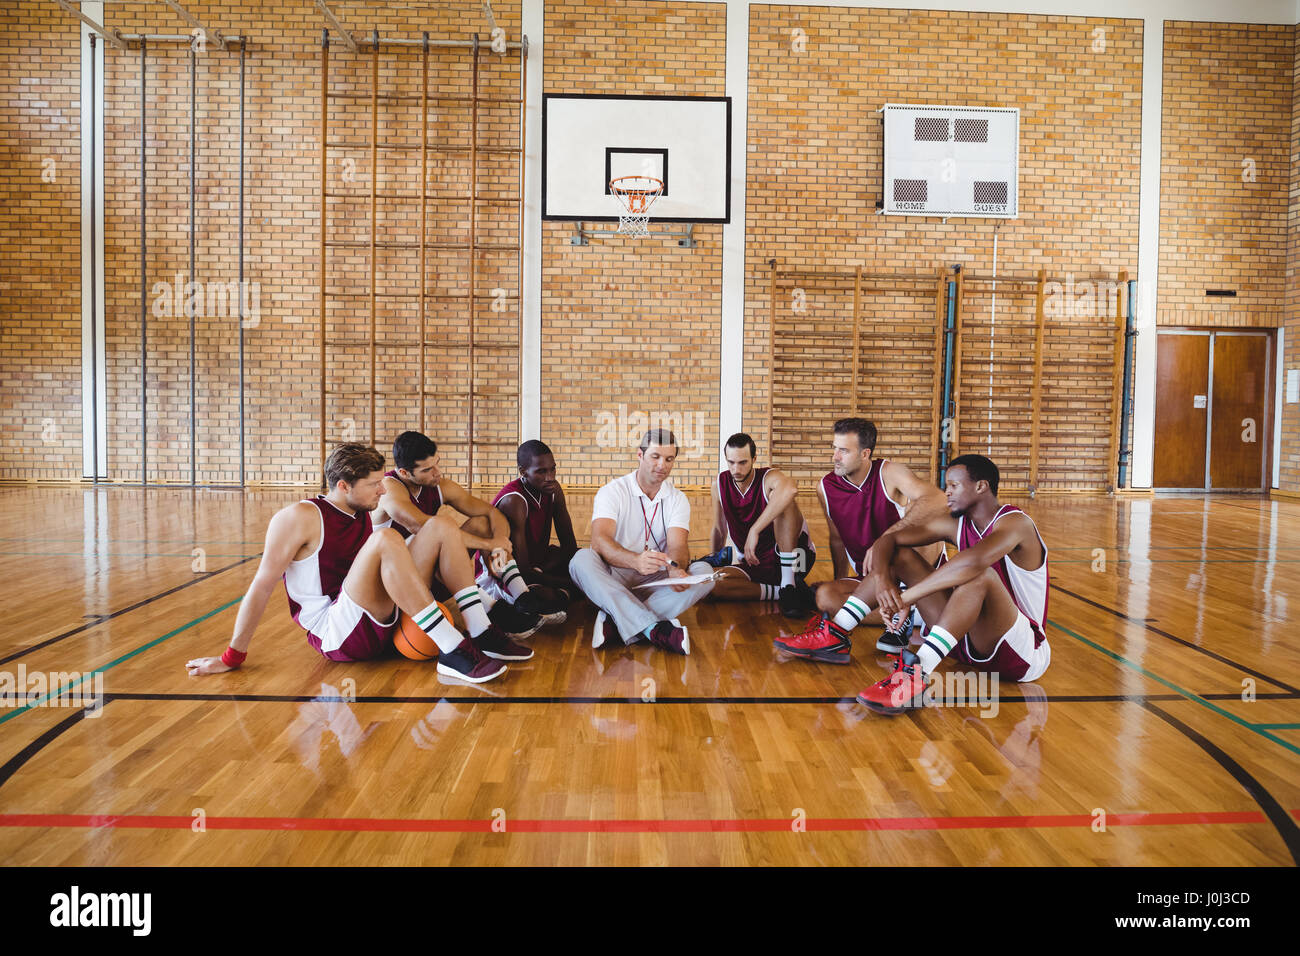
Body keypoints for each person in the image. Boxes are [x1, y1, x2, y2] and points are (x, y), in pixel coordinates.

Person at [185, 443, 527, 684]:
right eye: (374, 485)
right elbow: (260, 587)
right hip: (338, 632)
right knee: (386, 539)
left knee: (440, 525)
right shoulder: (299, 517)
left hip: (375, 614)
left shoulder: (359, 508)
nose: (383, 491)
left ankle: (480, 629)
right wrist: (232, 656)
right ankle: (453, 649)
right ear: (344, 485)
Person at [856, 454, 1051, 715]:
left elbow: (974, 562)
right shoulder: (956, 523)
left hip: (1022, 653)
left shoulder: (1016, 523)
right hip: (965, 643)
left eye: (953, 486)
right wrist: (882, 582)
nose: (946, 492)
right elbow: (889, 541)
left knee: (980, 574)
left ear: (981, 486)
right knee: (902, 556)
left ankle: (917, 673)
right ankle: (836, 632)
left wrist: (908, 597)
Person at [774, 417, 946, 664]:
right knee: (825, 597)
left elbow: (937, 500)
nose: (835, 456)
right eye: (834, 448)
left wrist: (885, 540)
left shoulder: (889, 472)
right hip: (874, 578)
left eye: (843, 450)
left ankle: (910, 602)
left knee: (919, 523)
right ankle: (909, 612)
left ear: (865, 454)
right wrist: (838, 577)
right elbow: (836, 538)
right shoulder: (825, 487)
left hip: (917, 575)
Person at [375, 430, 542, 639]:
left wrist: (499, 545)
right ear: (404, 473)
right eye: (427, 469)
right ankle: (491, 608)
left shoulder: (438, 485)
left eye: (437, 463)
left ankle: (520, 595)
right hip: (393, 588)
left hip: (429, 578)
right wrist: (489, 544)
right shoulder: (389, 490)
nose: (437, 472)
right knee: (437, 531)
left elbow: (491, 513)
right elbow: (422, 526)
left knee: (481, 524)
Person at [568, 429, 716, 654]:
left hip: (657, 578)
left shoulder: (678, 499)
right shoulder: (613, 491)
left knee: (705, 573)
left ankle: (617, 622)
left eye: (669, 459)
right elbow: (599, 541)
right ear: (640, 455)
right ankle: (654, 628)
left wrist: (677, 569)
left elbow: (678, 546)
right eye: (655, 457)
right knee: (581, 559)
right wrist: (635, 561)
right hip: (615, 575)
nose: (662, 465)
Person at [702, 433, 816, 617]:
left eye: (742, 462)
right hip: (754, 560)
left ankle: (788, 583)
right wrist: (714, 557)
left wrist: (754, 530)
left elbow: (790, 489)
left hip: (797, 560)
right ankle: (784, 593)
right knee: (708, 586)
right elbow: (718, 528)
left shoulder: (768, 477)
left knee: (782, 499)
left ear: (754, 459)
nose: (736, 469)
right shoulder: (719, 484)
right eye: (731, 462)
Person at [472, 440, 578, 624]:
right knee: (542, 596)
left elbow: (570, 547)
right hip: (503, 573)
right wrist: (572, 583)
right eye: (541, 471)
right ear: (523, 472)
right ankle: (565, 595)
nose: (550, 477)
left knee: (586, 559)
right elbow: (522, 570)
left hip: (538, 563)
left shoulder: (554, 490)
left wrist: (544, 570)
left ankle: (564, 595)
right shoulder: (514, 501)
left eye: (552, 469)